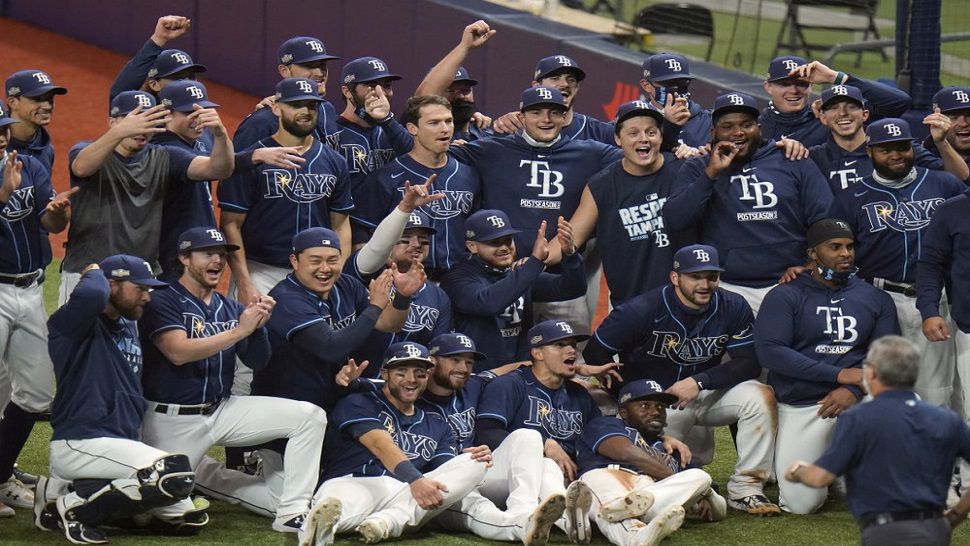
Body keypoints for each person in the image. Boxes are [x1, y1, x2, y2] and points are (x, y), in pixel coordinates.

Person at [137, 227, 327, 533]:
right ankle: (197, 473)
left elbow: (257, 361)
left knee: (309, 417)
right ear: (184, 258)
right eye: (208, 253)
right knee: (161, 509)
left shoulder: (228, 306)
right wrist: (240, 330)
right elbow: (177, 352)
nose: (218, 261)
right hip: (170, 421)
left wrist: (259, 325)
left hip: (221, 410)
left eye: (222, 254)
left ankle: (293, 512)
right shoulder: (162, 300)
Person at [584, 244, 778, 516]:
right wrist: (631, 396)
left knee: (759, 395)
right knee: (659, 471)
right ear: (675, 278)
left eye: (711, 276)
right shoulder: (640, 310)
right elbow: (596, 352)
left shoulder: (733, 306)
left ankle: (747, 488)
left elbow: (749, 362)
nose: (705, 284)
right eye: (695, 276)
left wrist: (699, 381)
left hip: (703, 392)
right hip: (657, 403)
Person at [43, 255, 205, 544]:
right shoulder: (71, 324)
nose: (147, 297)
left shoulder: (129, 324)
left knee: (186, 514)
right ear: (111, 285)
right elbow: (92, 295)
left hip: (120, 448)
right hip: (81, 441)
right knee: (173, 474)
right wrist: (93, 271)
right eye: (139, 289)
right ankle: (75, 510)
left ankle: (79, 495)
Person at [755, 219, 900, 514]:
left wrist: (851, 390)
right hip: (804, 405)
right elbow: (771, 353)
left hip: (859, 399)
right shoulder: (785, 295)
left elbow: (889, 356)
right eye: (835, 247)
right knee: (800, 504)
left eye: (849, 247)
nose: (845, 253)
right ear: (813, 253)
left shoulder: (875, 298)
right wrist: (837, 374)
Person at [828, 118, 964, 407]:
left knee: (937, 390)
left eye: (902, 147)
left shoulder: (943, 183)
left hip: (937, 299)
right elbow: (833, 248)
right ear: (870, 152)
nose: (896, 155)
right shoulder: (851, 197)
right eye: (886, 149)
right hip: (879, 299)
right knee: (883, 388)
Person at [300, 342, 492, 546]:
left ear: (427, 377)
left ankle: (386, 521)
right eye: (401, 372)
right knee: (334, 506)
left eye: (420, 374)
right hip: (352, 482)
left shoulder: (438, 426)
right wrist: (416, 480)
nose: (411, 380)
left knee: (475, 461)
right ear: (384, 374)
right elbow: (379, 444)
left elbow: (443, 472)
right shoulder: (359, 402)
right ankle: (321, 530)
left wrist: (465, 459)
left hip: (401, 491)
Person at [785, 335, 970, 545]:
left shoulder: (859, 418)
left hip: (884, 534)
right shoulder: (947, 419)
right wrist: (957, 515)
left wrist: (797, 471)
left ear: (871, 373)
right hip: (935, 530)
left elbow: (820, 478)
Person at [664, 91, 832, 313]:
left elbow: (826, 220)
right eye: (727, 126)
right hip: (727, 289)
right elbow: (675, 220)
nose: (738, 132)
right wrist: (711, 173)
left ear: (759, 128)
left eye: (746, 125)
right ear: (713, 133)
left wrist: (811, 266)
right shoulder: (698, 167)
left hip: (790, 285)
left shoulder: (792, 159)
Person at [59, 89, 234, 304]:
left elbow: (217, 169)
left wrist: (220, 134)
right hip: (90, 273)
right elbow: (82, 168)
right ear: (112, 122)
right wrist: (120, 132)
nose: (142, 126)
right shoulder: (86, 150)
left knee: (135, 339)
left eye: (150, 119)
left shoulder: (164, 155)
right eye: (135, 119)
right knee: (79, 337)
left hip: (141, 278)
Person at [252, 225, 425, 413]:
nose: (325, 268)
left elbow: (389, 324)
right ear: (295, 261)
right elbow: (331, 348)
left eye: (333, 260)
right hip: (286, 404)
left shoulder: (346, 284)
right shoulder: (286, 299)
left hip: (331, 395)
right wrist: (375, 306)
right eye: (315, 261)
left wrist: (402, 296)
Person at [417, 333, 566, 545]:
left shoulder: (473, 385)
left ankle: (527, 512)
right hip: (440, 482)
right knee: (478, 507)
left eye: (469, 362)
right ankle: (519, 527)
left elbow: (506, 370)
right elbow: (375, 384)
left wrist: (576, 370)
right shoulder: (410, 393)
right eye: (455, 360)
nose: (464, 368)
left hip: (479, 473)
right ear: (431, 362)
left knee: (531, 439)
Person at [218, 77, 353, 309]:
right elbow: (231, 224)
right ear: (276, 108)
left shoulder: (335, 162)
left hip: (317, 274)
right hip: (261, 271)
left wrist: (337, 270)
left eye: (312, 105)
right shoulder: (253, 159)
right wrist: (243, 281)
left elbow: (340, 223)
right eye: (296, 105)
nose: (306, 111)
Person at [154, 79, 309, 280]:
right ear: (167, 114)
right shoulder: (164, 149)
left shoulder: (194, 142)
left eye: (202, 111)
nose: (198, 119)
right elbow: (214, 168)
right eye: (188, 113)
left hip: (194, 246)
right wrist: (233, 141)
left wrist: (255, 154)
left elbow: (221, 162)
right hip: (173, 252)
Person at [0, 107, 73, 515]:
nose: (2, 138)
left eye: (3, 130)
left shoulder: (28, 165)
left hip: (29, 289)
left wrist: (57, 213)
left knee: (36, 392)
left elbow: (49, 222)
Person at [475, 320, 602, 544]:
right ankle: (521, 513)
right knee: (529, 437)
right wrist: (546, 444)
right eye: (560, 345)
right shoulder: (510, 385)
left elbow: (597, 438)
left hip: (552, 481)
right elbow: (486, 433)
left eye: (573, 345)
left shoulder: (580, 396)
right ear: (537, 353)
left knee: (549, 466)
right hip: (499, 477)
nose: (572, 350)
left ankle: (567, 520)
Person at [549, 100, 687, 305]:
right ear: (617, 138)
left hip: (685, 301)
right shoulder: (602, 185)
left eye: (651, 132)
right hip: (629, 305)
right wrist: (532, 262)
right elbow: (572, 236)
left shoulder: (684, 170)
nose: (644, 139)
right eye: (633, 133)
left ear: (661, 136)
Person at [576, 379, 728, 546]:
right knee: (613, 501)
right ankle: (631, 522)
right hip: (608, 477)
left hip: (649, 493)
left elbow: (718, 512)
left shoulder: (673, 449)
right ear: (624, 411)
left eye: (660, 407)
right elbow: (626, 453)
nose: (655, 412)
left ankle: (633, 525)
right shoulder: (606, 424)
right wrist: (673, 480)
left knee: (701, 477)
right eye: (645, 406)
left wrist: (705, 492)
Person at [352, 95, 480, 278]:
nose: (445, 129)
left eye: (448, 121)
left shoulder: (469, 175)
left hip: (459, 281)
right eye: (434, 123)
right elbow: (361, 235)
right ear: (413, 128)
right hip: (401, 280)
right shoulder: (386, 177)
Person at [440, 209, 585, 371]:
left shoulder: (520, 273)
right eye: (494, 242)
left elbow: (572, 289)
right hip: (479, 375)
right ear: (472, 246)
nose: (504, 247)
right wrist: (534, 263)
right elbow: (488, 303)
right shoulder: (457, 277)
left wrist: (570, 254)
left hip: (520, 373)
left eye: (507, 240)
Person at [810, 85, 960, 193]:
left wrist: (942, 143)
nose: (842, 113)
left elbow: (959, 179)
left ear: (865, 114)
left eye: (851, 107)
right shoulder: (814, 157)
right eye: (833, 108)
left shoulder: (896, 148)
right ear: (822, 117)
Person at [333, 56, 415, 245]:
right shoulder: (332, 132)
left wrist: (386, 120)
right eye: (371, 86)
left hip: (395, 230)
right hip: (347, 231)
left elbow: (417, 157)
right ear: (347, 91)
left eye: (386, 85)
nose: (381, 93)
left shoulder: (392, 130)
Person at [759, 56, 910, 147]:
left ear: (811, 85)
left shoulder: (830, 118)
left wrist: (835, 78)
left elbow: (899, 102)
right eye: (784, 84)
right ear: (768, 87)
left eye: (801, 83)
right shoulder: (755, 127)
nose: (794, 90)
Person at [233, 35, 342, 151]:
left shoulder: (327, 109)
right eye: (309, 66)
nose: (320, 73)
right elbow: (235, 165)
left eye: (322, 66)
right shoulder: (261, 122)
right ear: (284, 71)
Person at [492, 55, 615, 145]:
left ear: (577, 87)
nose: (565, 84)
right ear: (536, 86)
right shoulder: (513, 126)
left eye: (571, 79)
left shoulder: (602, 133)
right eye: (555, 78)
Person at [414, 20, 497, 142]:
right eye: (451, 90)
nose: (461, 96)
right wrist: (464, 46)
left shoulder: (486, 138)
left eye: (465, 90)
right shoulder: (417, 132)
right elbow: (423, 99)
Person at [109, 15, 202, 100]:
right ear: (154, 84)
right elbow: (120, 96)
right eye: (178, 78)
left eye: (191, 77)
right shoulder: (143, 114)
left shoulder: (200, 110)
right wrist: (158, 39)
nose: (187, 83)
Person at [639, 53, 711, 151]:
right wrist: (668, 125)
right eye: (668, 83)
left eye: (682, 82)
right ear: (646, 86)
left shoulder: (709, 121)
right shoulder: (634, 121)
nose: (676, 88)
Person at [4, 69, 67, 172]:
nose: (47, 106)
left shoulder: (44, 147)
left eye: (50, 99)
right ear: (13, 102)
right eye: (37, 99)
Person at [923, 86, 970, 176]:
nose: (963, 123)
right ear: (935, 120)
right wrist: (941, 142)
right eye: (953, 116)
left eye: (969, 116)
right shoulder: (922, 155)